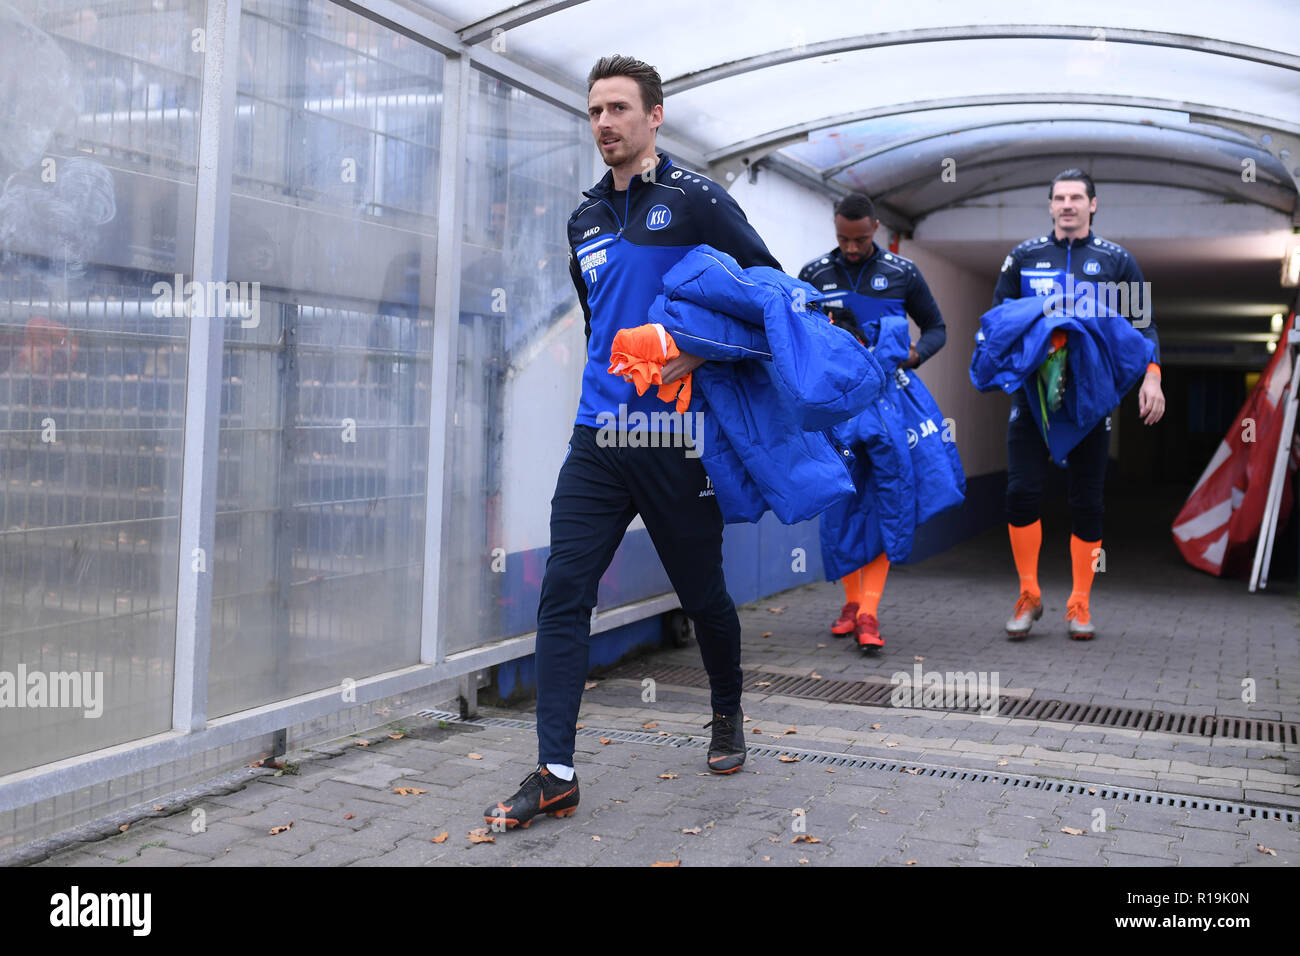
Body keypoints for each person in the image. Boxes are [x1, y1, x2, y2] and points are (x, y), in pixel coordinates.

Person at [484, 55, 781, 830]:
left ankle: (725, 712)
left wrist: (702, 349)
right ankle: (555, 772)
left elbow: (773, 296)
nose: (604, 124)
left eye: (619, 108)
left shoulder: (697, 201)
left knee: (703, 594)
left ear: (654, 116)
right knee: (563, 591)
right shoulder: (583, 218)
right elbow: (599, 322)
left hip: (677, 437)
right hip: (599, 435)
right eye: (594, 111)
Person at [993, 168, 1164, 640]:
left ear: (1093, 204)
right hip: (1033, 398)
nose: (1067, 205)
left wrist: (1153, 375)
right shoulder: (1024, 257)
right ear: (1050, 206)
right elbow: (1001, 321)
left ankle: (1079, 604)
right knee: (1021, 492)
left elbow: (1144, 328)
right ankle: (1029, 594)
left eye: (1076, 197)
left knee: (1086, 500)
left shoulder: (1117, 261)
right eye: (1059, 198)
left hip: (1091, 398)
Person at [798, 194, 946, 650]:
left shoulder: (902, 273)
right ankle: (851, 598)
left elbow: (937, 327)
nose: (852, 247)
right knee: (839, 498)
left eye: (861, 239)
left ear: (877, 228)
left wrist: (913, 354)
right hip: (835, 407)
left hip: (887, 405)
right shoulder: (814, 274)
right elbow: (796, 334)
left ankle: (868, 611)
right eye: (843, 238)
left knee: (885, 499)